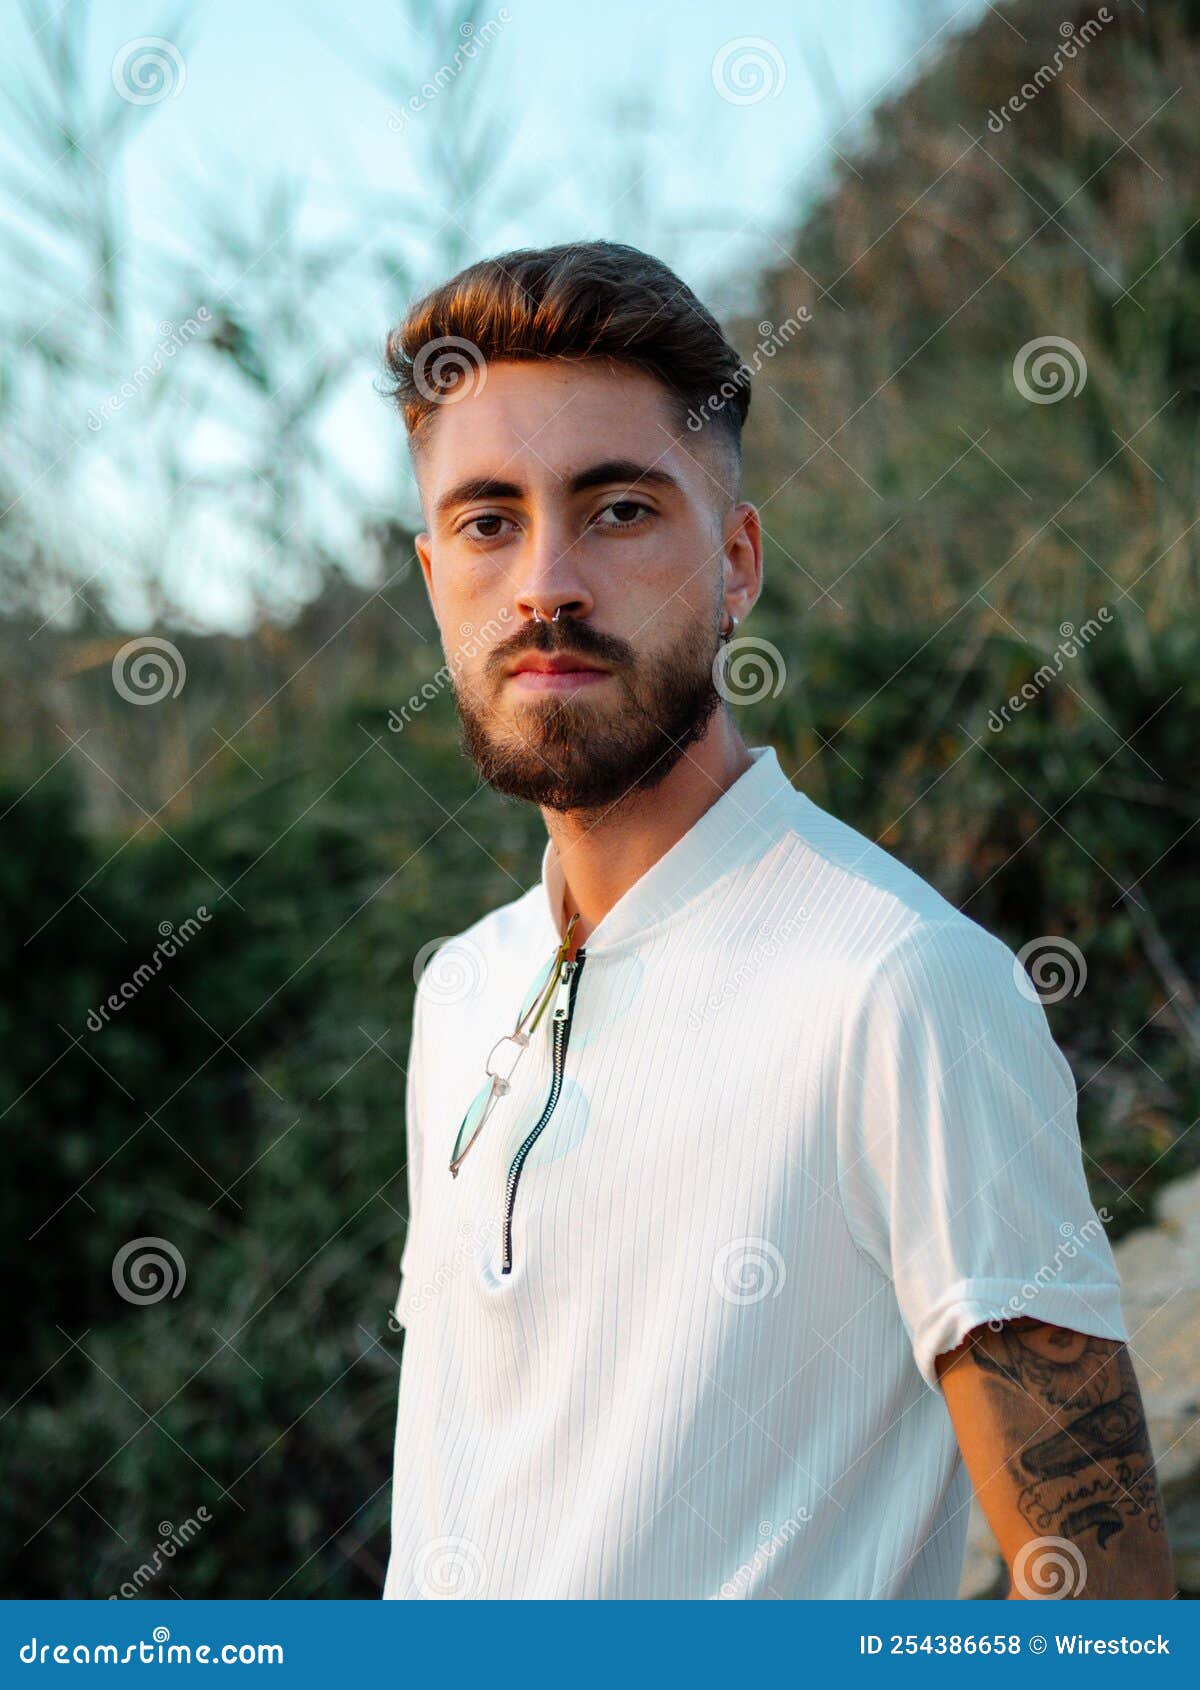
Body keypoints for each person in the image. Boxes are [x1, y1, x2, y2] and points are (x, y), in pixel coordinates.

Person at [378, 240, 1173, 1600]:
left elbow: (1103, 1610)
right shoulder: (460, 988)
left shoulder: (901, 987)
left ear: (735, 562)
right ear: (434, 567)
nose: (546, 582)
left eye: (619, 510)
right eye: (487, 518)